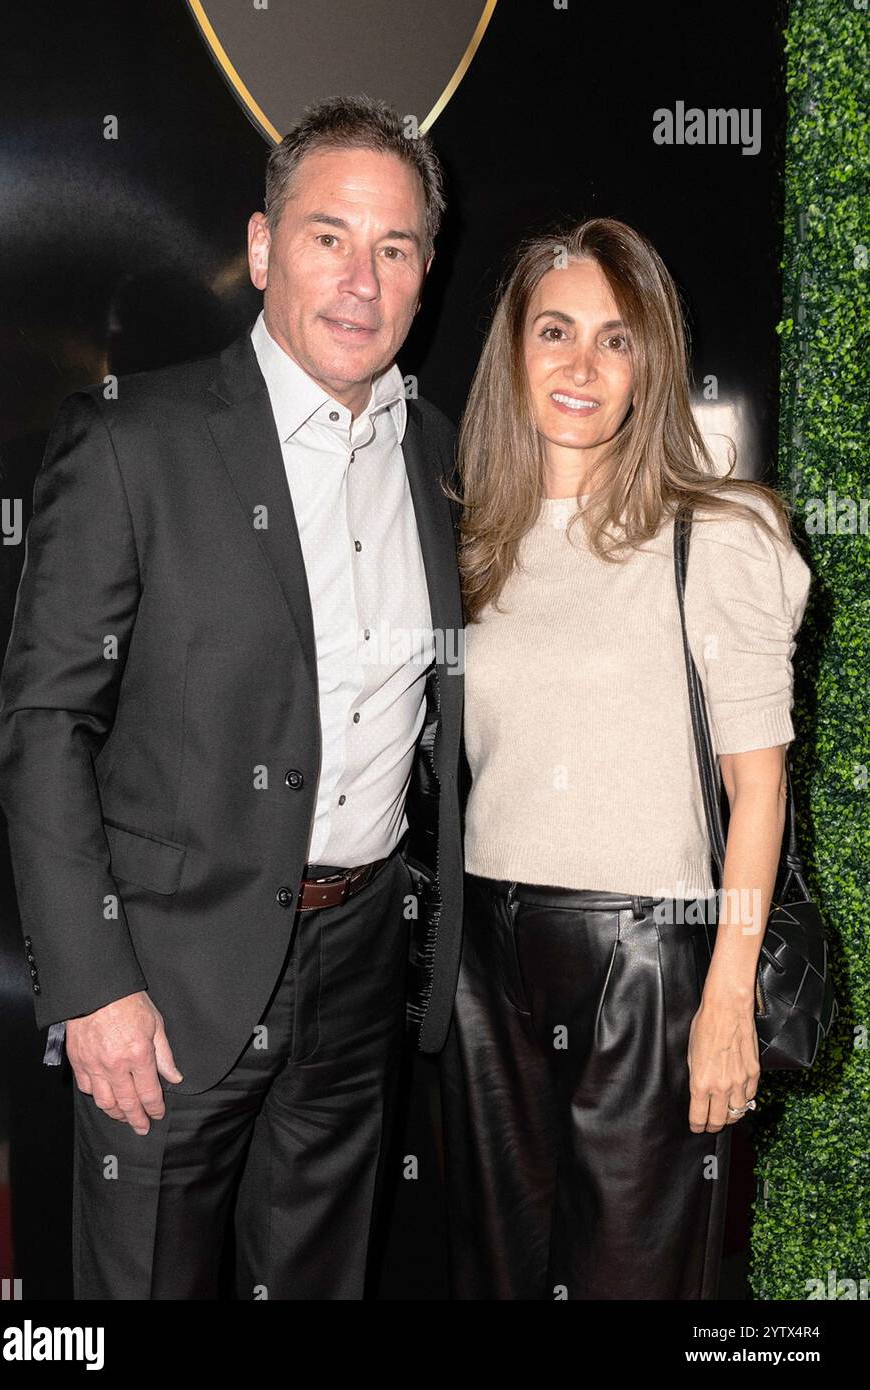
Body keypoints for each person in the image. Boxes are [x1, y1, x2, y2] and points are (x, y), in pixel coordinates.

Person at [0, 95, 464, 1300]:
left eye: (394, 247)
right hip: (163, 980)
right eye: (327, 236)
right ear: (261, 248)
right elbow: (42, 728)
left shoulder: (438, 456)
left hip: (359, 970)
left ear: (423, 274)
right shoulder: (131, 441)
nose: (359, 280)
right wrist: (93, 985)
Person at [440, 218, 812, 1299]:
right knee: (498, 1279)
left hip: (647, 962)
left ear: (649, 365)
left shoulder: (719, 533)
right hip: (482, 960)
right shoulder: (469, 539)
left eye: (615, 339)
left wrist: (727, 998)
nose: (581, 365)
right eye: (554, 330)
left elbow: (757, 790)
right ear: (512, 351)